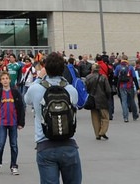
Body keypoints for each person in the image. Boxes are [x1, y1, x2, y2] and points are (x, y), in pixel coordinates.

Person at [24, 52, 81, 184]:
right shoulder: (70, 90)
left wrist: (39, 77)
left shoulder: (36, 89)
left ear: (46, 68)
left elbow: (26, 99)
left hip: (45, 145)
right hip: (68, 144)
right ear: (63, 69)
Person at [0, 69, 25, 174]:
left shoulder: (15, 92)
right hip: (2, 123)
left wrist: (21, 122)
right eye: (3, 79)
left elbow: (21, 108)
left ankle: (13, 165)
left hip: (13, 123)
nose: (5, 81)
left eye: (7, 79)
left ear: (10, 80)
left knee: (14, 145)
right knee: (0, 144)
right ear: (0, 81)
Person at [83, 60, 111, 140]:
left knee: (95, 118)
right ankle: (102, 131)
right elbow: (108, 90)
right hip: (102, 99)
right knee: (105, 117)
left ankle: (97, 134)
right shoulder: (103, 77)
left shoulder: (88, 78)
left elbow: (85, 89)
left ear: (92, 70)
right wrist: (108, 97)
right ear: (99, 70)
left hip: (92, 100)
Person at [113, 56, 139, 123]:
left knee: (124, 102)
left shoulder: (118, 67)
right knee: (132, 101)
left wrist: (116, 85)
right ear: (127, 60)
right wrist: (138, 87)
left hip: (122, 86)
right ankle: (135, 115)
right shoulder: (130, 67)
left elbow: (115, 76)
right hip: (130, 86)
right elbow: (134, 78)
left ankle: (125, 117)